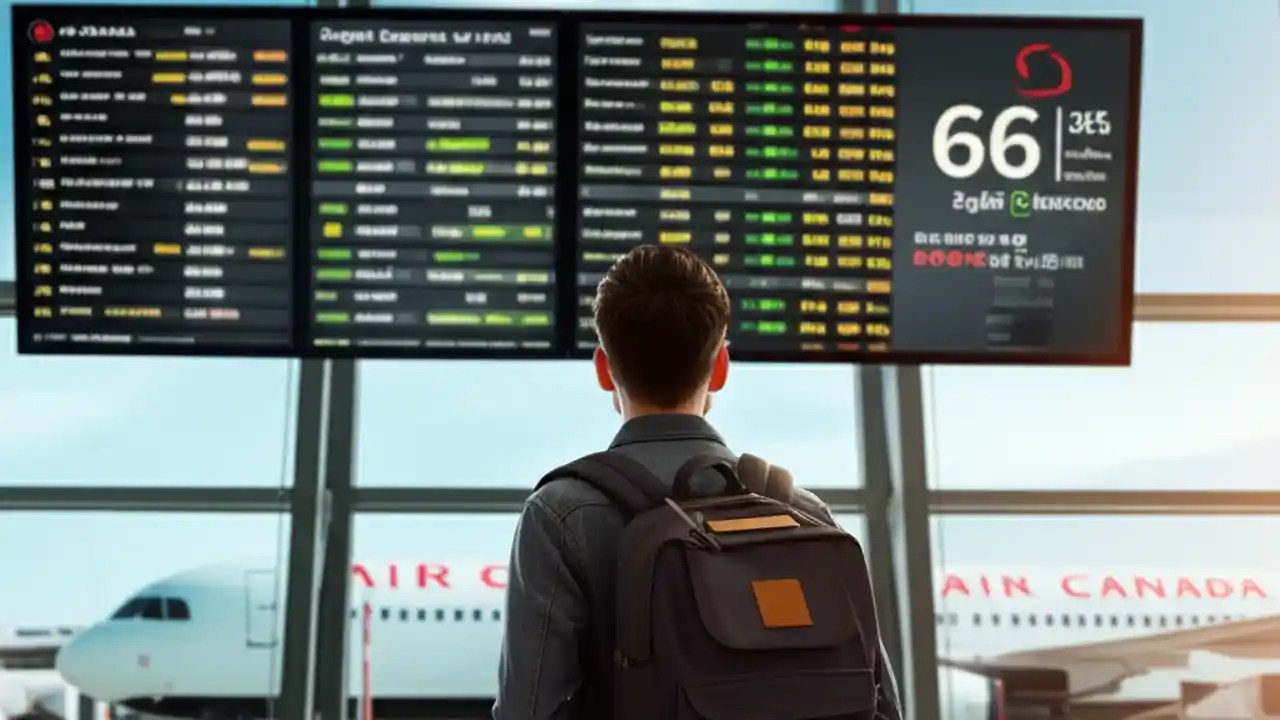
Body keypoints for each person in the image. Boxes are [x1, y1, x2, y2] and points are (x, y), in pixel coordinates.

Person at [492, 245, 903, 720]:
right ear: (721, 367)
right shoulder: (804, 513)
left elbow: (529, 710)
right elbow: (883, 705)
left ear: (605, 370)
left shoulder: (563, 515)